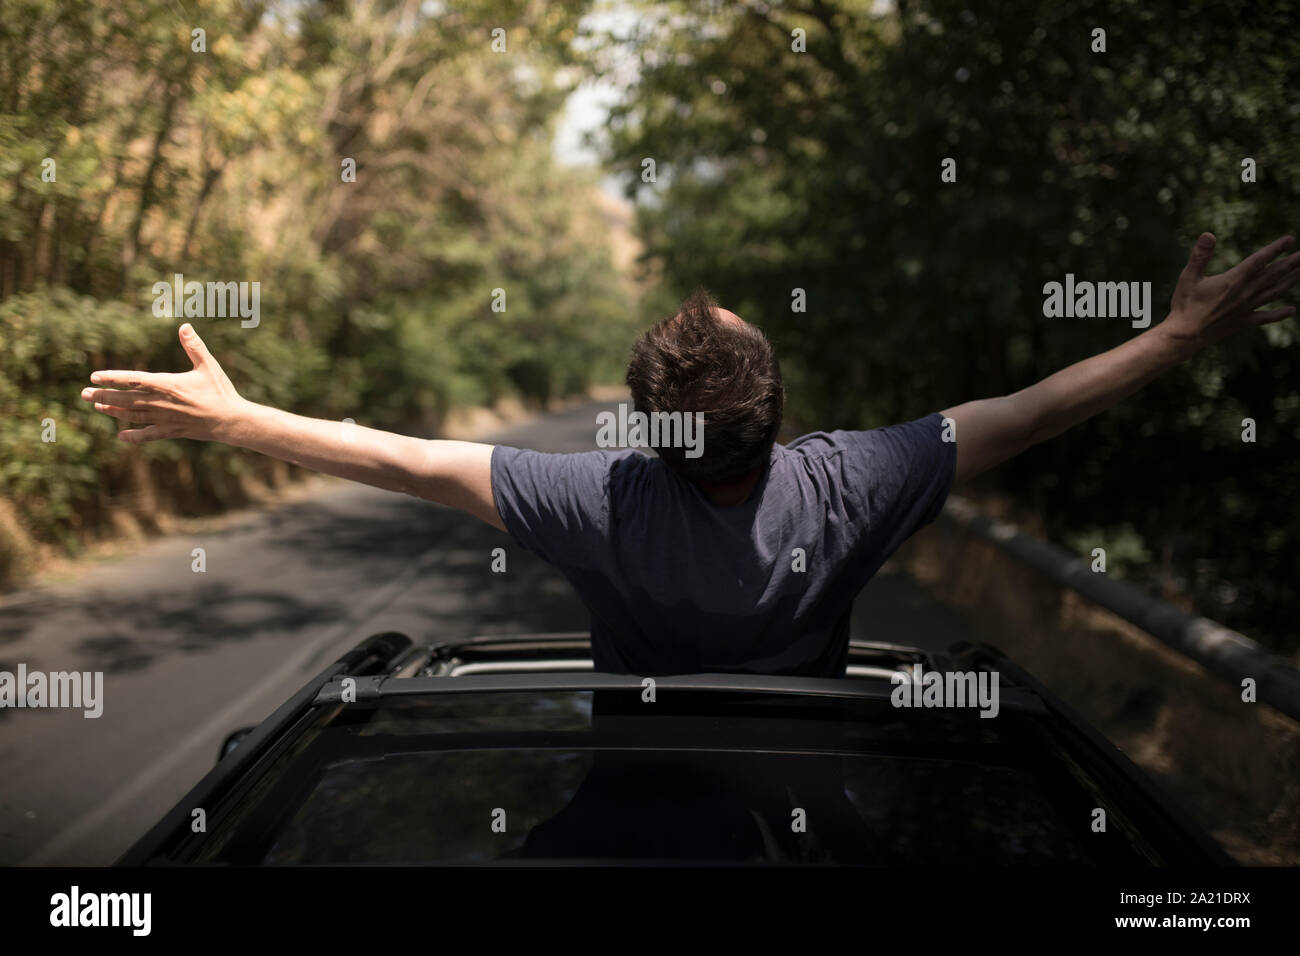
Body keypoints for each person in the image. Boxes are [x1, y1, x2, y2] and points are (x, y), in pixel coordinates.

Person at [82, 233, 1299, 677]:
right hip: (807, 801)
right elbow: (1031, 410)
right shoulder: (855, 479)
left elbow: (399, 458)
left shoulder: (595, 499)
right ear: (781, 412)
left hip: (628, 800)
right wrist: (1183, 332)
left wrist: (236, 418)